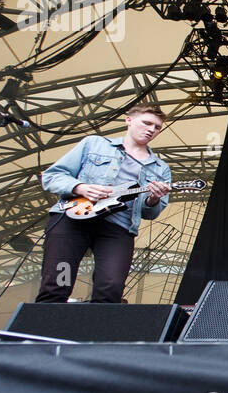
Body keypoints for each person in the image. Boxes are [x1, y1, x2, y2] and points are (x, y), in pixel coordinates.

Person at [34, 105, 172, 303]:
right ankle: (42, 331)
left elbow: (150, 213)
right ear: (128, 120)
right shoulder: (94, 144)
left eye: (157, 127)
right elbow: (51, 177)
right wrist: (80, 188)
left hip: (118, 228)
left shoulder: (160, 169)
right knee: (58, 283)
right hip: (72, 220)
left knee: (111, 287)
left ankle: (96, 332)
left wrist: (154, 199)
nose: (152, 129)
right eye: (147, 123)